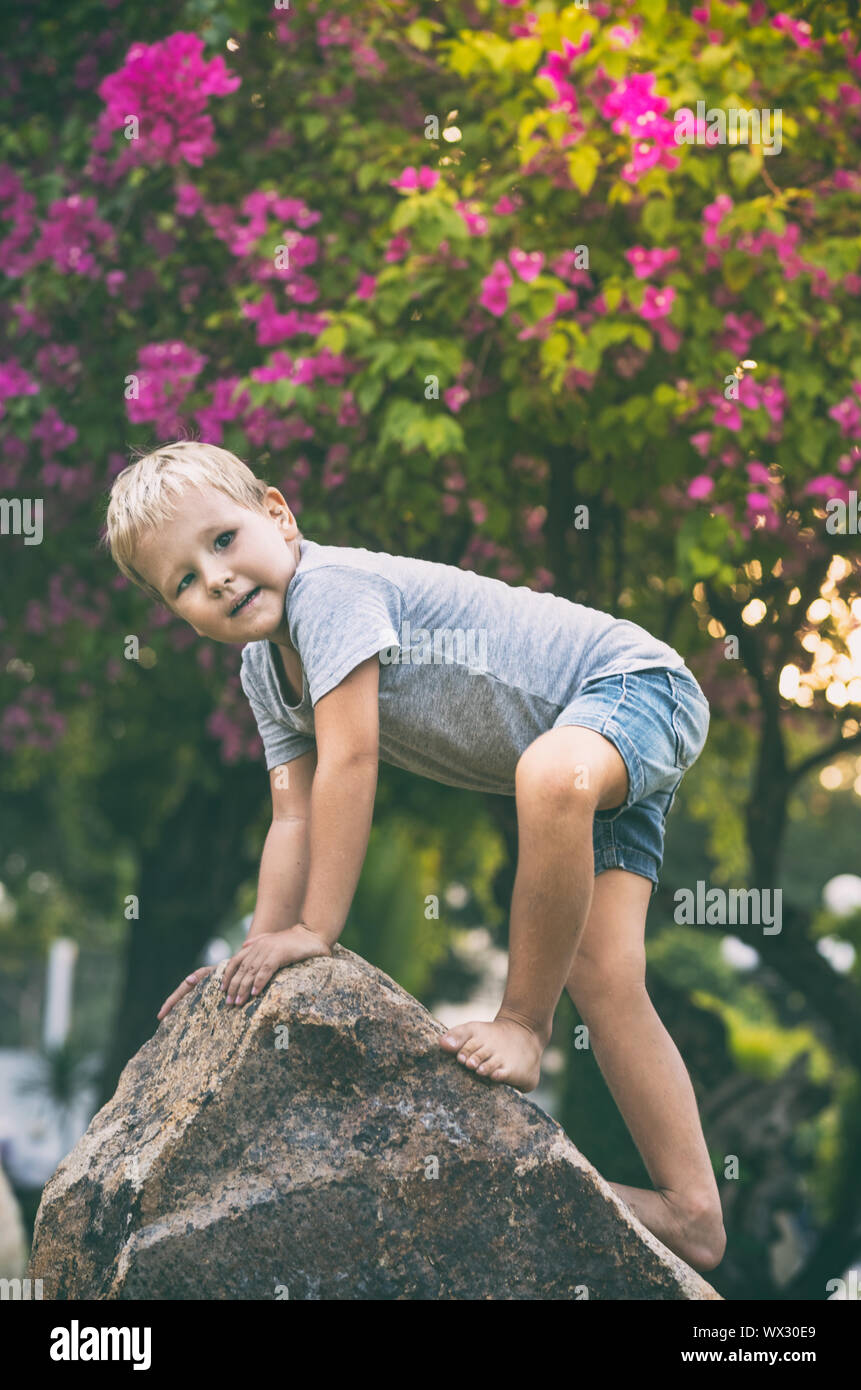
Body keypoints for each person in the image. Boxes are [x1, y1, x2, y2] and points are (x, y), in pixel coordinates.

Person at [101, 439, 725, 1271]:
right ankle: (689, 1213)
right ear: (175, 611)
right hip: (583, 754)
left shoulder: (330, 592)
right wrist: (260, 948)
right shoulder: (264, 671)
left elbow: (351, 762)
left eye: (222, 541)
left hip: (633, 687)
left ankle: (524, 1026)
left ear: (280, 517)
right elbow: (292, 820)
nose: (213, 577)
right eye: (182, 580)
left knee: (550, 776)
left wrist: (315, 932)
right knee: (605, 973)